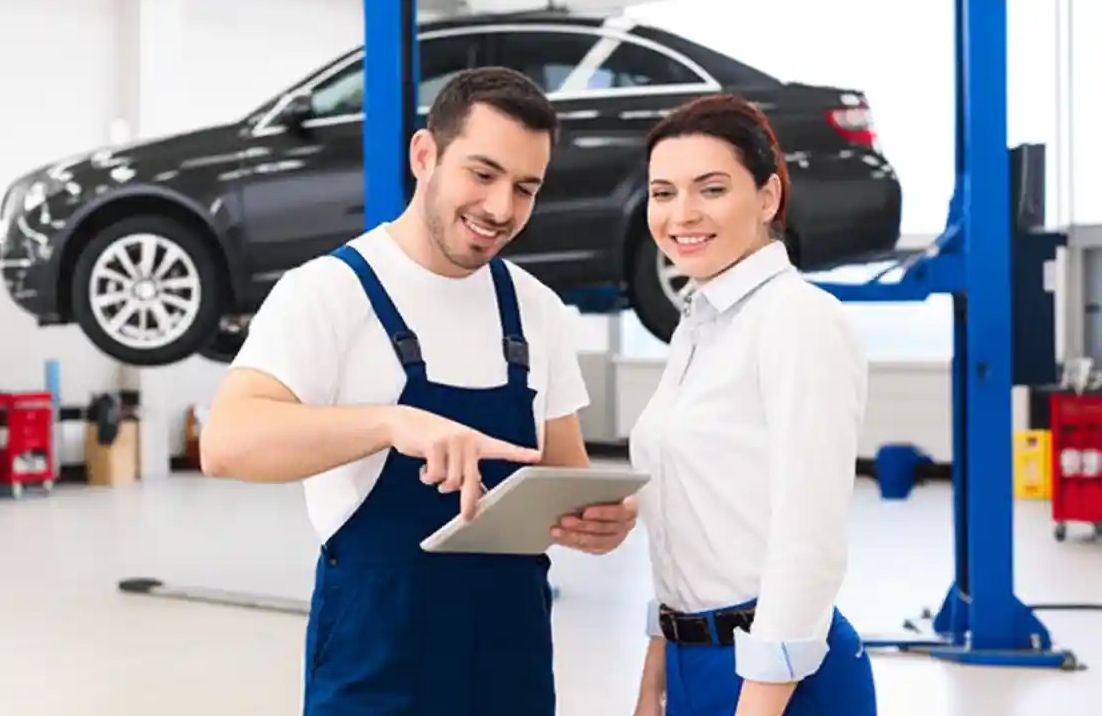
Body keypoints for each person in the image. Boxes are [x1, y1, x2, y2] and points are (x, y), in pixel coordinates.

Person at [200, 66, 639, 716]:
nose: (501, 209)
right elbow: (226, 444)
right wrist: (392, 423)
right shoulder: (327, 292)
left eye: (525, 188)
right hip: (377, 661)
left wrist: (601, 520)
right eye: (482, 174)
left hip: (511, 662)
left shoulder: (536, 310)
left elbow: (562, 472)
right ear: (424, 155)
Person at [627, 93, 876, 716]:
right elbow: (682, 524)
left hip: (778, 678)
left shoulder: (798, 318)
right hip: (693, 664)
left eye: (710, 189)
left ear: (768, 197)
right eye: (663, 192)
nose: (681, 213)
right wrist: (655, 671)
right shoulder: (699, 324)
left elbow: (809, 534)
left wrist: (760, 702)